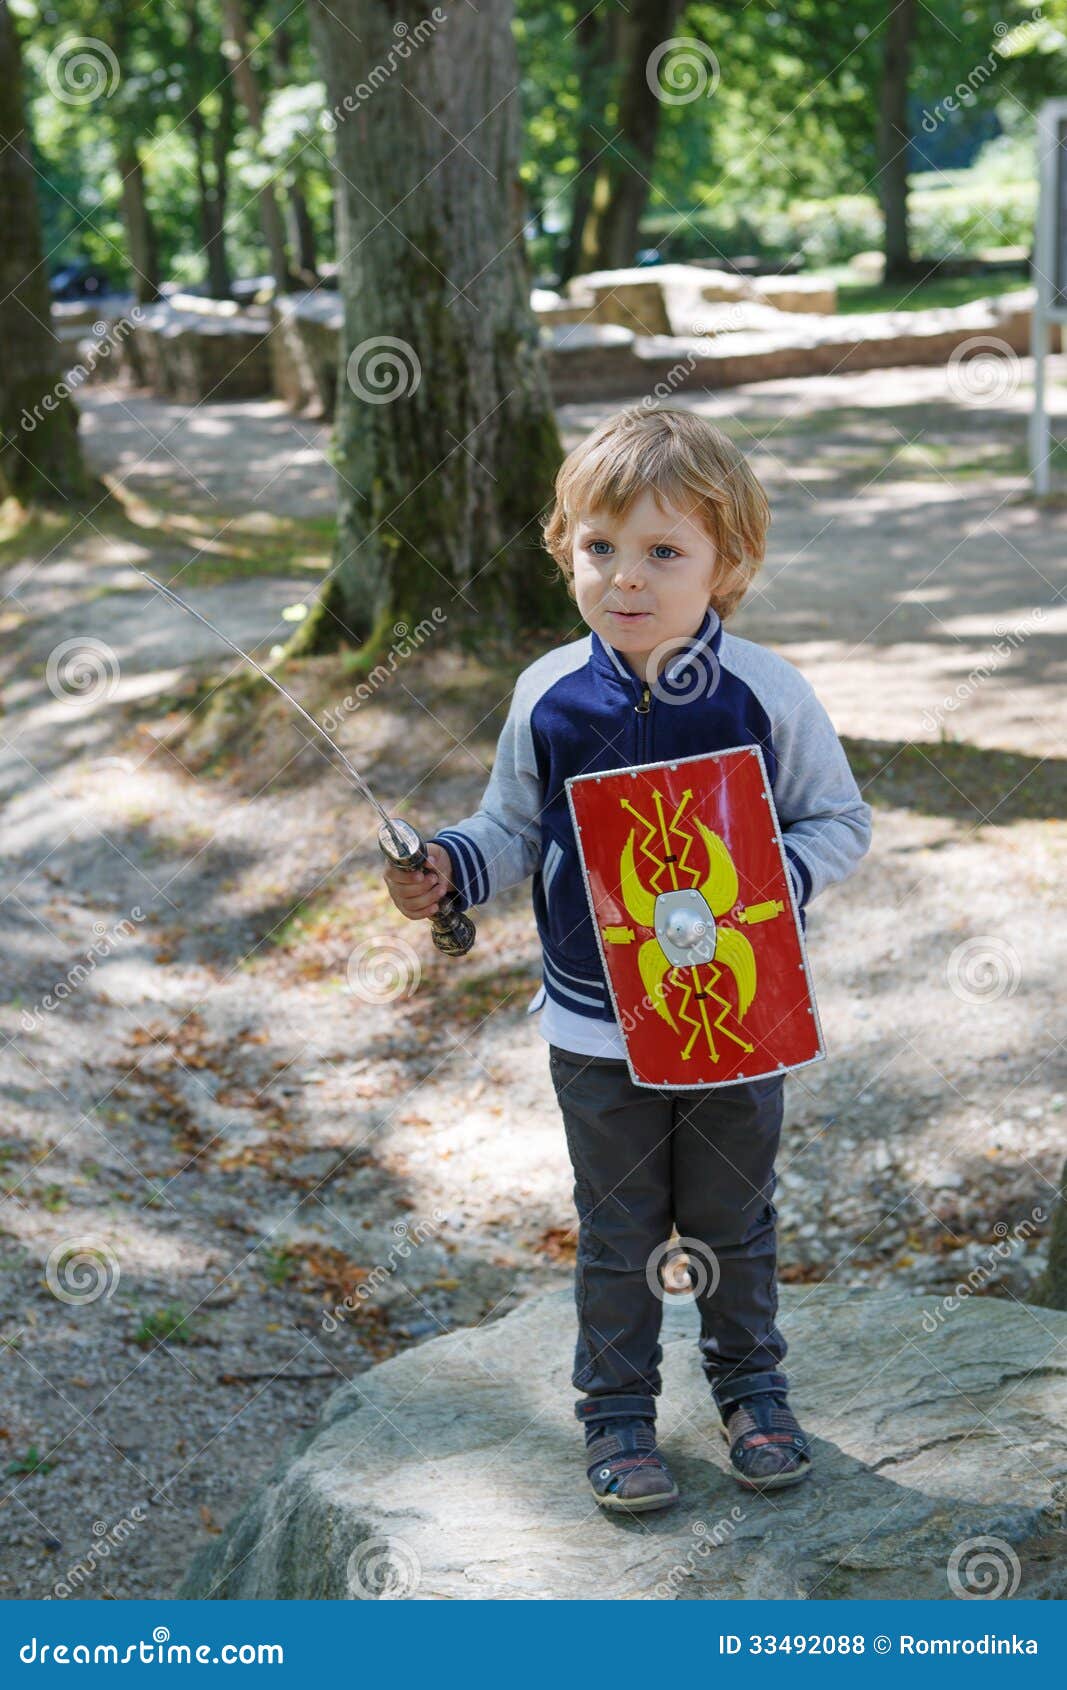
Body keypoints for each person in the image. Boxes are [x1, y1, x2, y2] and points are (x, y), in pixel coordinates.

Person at [384, 406, 872, 1512]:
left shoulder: (766, 692)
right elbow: (510, 826)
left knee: (729, 1222)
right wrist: (447, 868)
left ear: (727, 562)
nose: (626, 579)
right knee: (616, 1231)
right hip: (594, 1024)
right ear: (565, 549)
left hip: (733, 1016)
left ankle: (752, 1394)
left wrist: (759, 888)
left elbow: (838, 822)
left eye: (663, 551)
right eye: (599, 548)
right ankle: (614, 1416)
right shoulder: (549, 694)